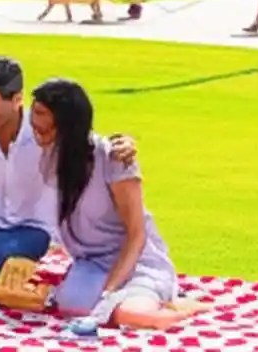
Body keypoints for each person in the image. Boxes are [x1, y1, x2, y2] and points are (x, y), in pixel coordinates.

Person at [0, 55, 137, 279]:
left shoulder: (42, 130)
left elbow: (83, 140)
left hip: (37, 228)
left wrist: (123, 142)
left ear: (17, 99)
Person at [29, 79, 194, 331]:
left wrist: (109, 291)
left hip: (136, 263)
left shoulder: (113, 159)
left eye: (41, 114)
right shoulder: (48, 153)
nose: (33, 123)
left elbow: (137, 234)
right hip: (91, 263)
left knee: (131, 314)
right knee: (71, 306)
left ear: (66, 122)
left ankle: (188, 308)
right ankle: (144, 304)